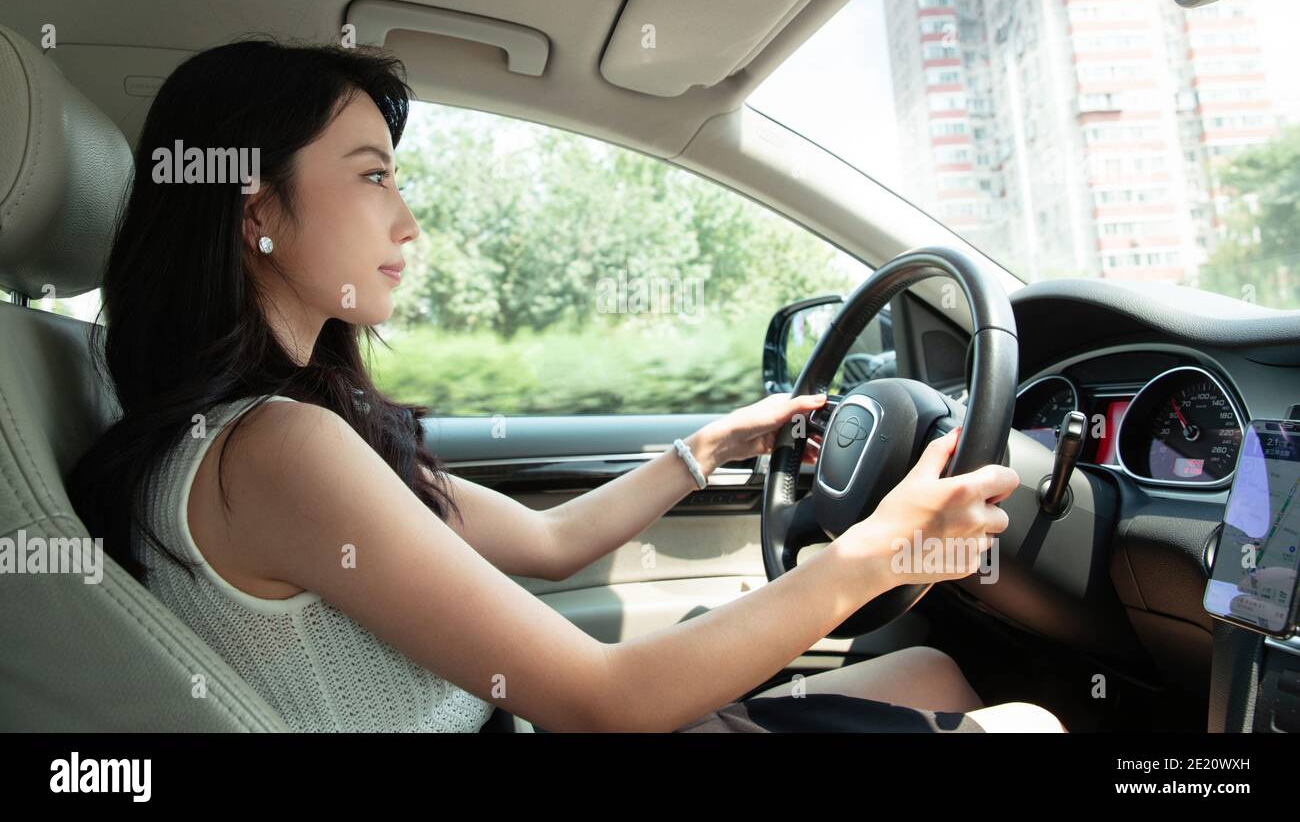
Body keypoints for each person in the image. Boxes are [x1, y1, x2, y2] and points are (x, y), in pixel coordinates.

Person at [68, 36, 1066, 734]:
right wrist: (875, 554)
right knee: (1026, 721)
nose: (407, 222)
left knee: (935, 666)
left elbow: (548, 543)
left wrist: (705, 450)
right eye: (373, 176)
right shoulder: (278, 450)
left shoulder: (270, 432)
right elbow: (601, 700)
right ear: (256, 210)